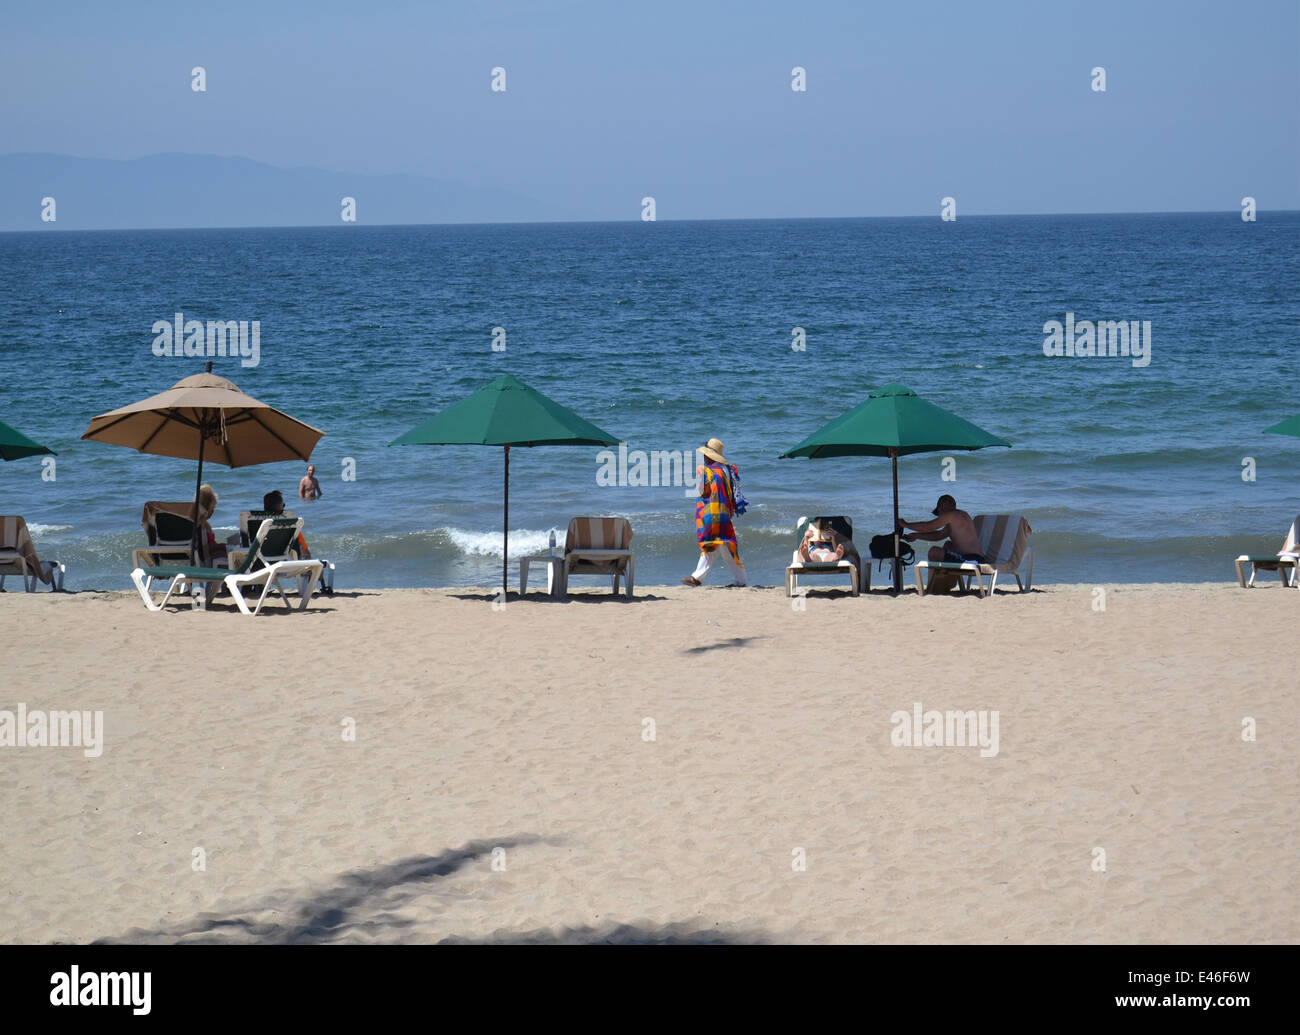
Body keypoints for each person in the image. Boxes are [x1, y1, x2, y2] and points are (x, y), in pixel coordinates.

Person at [682, 437, 746, 587]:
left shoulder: (708, 472)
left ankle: (697, 578)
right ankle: (739, 581)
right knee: (723, 546)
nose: (703, 457)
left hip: (713, 513)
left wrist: (700, 477)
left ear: (709, 456)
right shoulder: (724, 472)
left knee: (712, 544)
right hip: (723, 513)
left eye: (705, 455)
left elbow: (702, 492)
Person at [898, 494, 984, 564]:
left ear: (942, 506)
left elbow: (927, 526)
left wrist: (905, 524)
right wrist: (916, 536)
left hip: (971, 560)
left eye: (939, 513)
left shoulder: (951, 515)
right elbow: (938, 535)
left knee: (934, 552)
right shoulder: (960, 515)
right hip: (976, 558)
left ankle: (936, 584)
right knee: (948, 545)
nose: (940, 515)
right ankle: (946, 583)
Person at [260, 489, 311, 559]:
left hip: (262, 563)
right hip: (287, 563)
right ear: (282, 507)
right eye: (283, 505)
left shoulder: (257, 524)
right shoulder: (292, 525)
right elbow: (306, 552)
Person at [194, 484, 227, 566]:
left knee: (225, 551)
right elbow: (203, 548)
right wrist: (221, 546)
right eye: (212, 509)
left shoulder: (205, 524)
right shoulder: (200, 525)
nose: (213, 512)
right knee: (224, 554)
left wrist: (220, 546)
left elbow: (211, 544)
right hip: (204, 558)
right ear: (205, 508)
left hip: (207, 555)